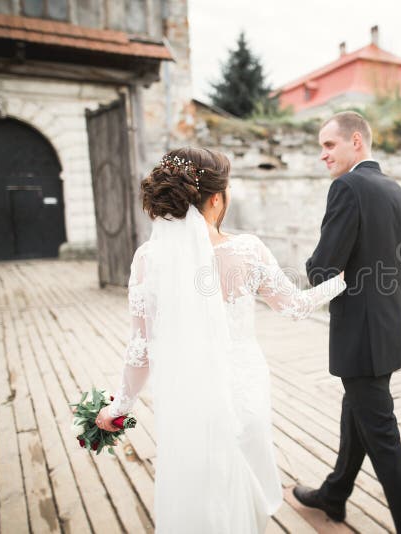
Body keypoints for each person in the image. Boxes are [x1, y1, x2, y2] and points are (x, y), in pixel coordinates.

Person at [95, 147, 346, 532]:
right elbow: (294, 306)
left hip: (185, 397)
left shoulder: (148, 259)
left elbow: (140, 349)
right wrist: (344, 279)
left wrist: (120, 406)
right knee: (242, 489)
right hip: (241, 389)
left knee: (196, 485)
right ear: (216, 198)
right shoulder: (247, 250)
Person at [294, 112, 401, 533]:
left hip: (361, 338)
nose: (323, 155)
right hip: (387, 334)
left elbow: (323, 269)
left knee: (384, 442)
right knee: (357, 416)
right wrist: (391, 323)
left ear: (356, 141)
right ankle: (333, 496)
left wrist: (315, 266)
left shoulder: (347, 187)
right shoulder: (397, 191)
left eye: (329, 146)